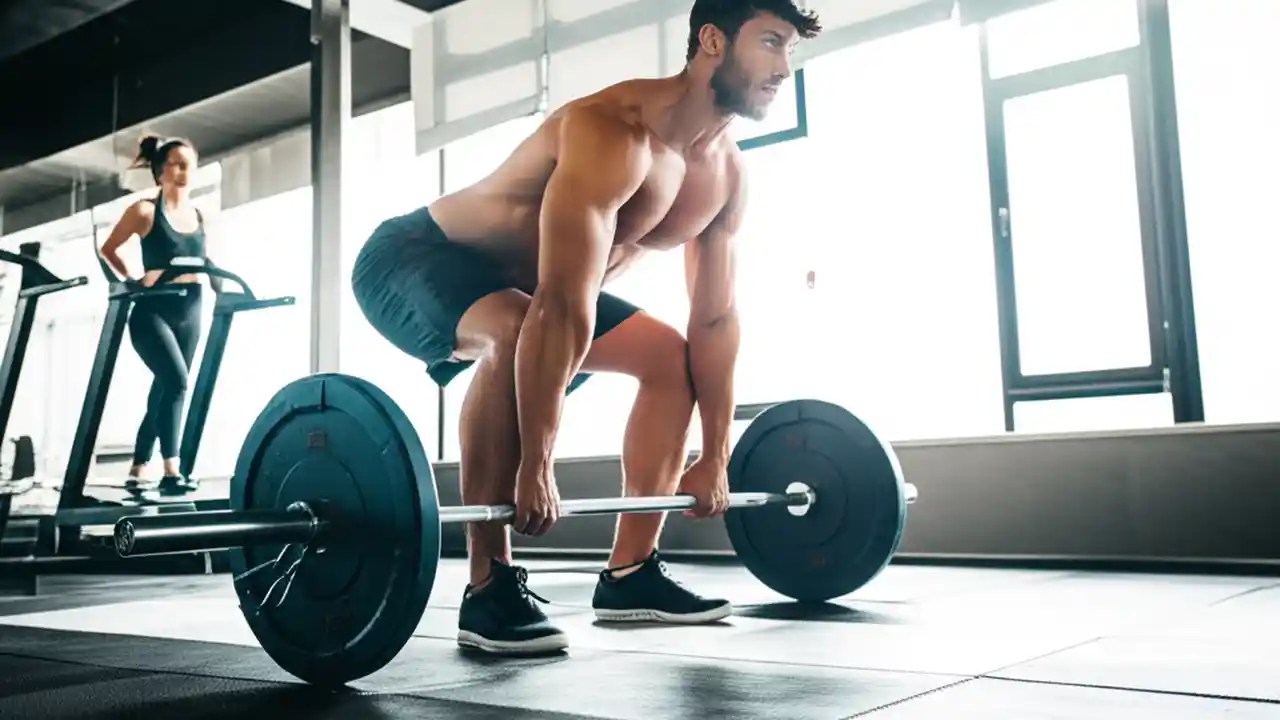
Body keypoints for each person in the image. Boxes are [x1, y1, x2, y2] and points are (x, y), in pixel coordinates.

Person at [352, 0, 821, 655]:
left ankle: (630, 575)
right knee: (517, 328)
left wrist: (716, 454)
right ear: (712, 40)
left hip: (535, 290)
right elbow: (562, 304)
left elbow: (714, 318)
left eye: (791, 52)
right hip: (416, 258)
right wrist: (537, 464)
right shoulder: (613, 132)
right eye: (770, 43)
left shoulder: (726, 175)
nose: (782, 67)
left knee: (668, 358)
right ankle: (488, 586)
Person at [100, 135, 211, 496]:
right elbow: (109, 249)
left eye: (189, 165)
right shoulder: (145, 211)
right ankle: (171, 470)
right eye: (177, 163)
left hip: (192, 306)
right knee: (177, 382)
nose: (184, 172)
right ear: (160, 170)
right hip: (153, 310)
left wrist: (229, 295)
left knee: (167, 387)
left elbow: (207, 263)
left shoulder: (199, 216)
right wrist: (132, 281)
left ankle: (138, 464)